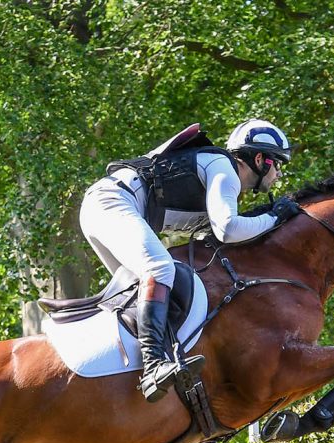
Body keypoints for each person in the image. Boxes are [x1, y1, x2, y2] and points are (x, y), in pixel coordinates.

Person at [79, 119, 296, 403]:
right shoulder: (224, 171)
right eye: (278, 164)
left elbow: (222, 236)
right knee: (159, 269)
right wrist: (275, 217)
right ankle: (154, 366)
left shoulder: (223, 180)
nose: (279, 174)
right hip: (112, 202)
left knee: (139, 291)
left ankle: (127, 370)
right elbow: (228, 229)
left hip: (105, 205)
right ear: (259, 159)